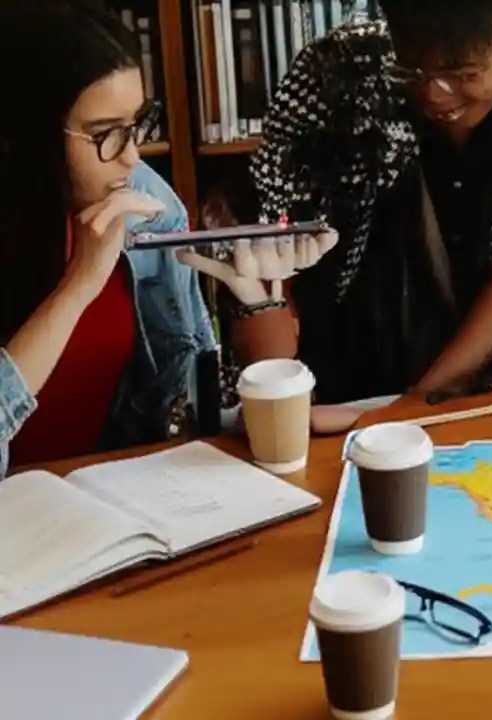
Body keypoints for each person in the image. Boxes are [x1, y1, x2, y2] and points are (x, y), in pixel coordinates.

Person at [0, 2, 330, 476]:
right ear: (22, 135)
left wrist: (256, 299)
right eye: (106, 134)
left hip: (105, 495)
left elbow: (192, 405)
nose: (132, 157)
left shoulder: (146, 204)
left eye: (136, 123)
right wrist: (77, 289)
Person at [238, 0, 492, 405]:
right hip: (346, 370)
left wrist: (421, 400)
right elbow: (271, 239)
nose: (434, 94)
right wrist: (283, 395)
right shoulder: (336, 66)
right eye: (411, 70)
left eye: (465, 73)